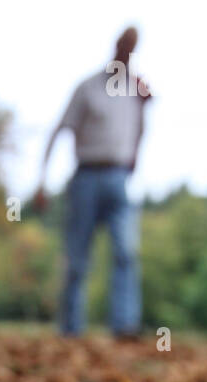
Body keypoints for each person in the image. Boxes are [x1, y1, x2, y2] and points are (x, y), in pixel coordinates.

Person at [36, 27, 152, 338]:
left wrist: (134, 155)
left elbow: (141, 131)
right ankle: (71, 328)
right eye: (124, 44)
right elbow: (58, 130)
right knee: (77, 257)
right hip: (86, 176)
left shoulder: (135, 91)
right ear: (115, 47)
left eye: (133, 47)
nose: (127, 51)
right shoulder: (87, 87)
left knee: (126, 252)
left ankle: (124, 325)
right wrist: (42, 181)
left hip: (119, 180)